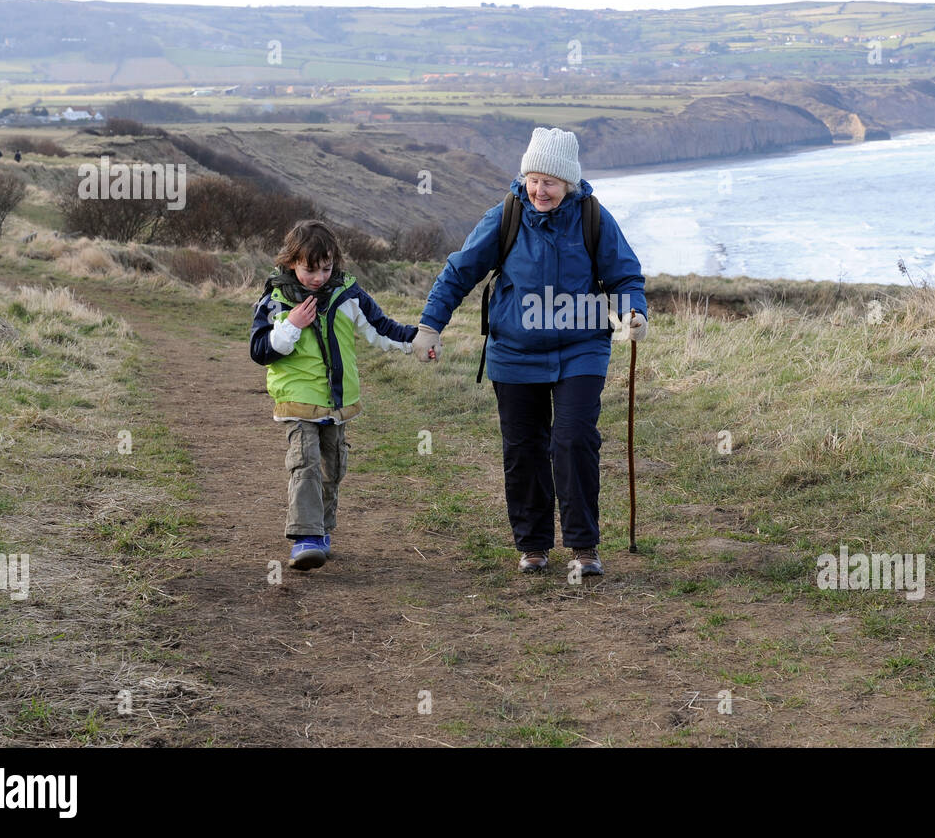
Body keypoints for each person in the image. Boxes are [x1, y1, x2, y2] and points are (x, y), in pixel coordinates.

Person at [414, 127, 648, 576]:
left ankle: (584, 547)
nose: (539, 190)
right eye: (534, 179)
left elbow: (624, 277)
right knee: (524, 448)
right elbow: (460, 271)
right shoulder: (505, 216)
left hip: (582, 347)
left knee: (574, 439)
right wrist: (430, 326)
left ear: (569, 184)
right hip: (515, 352)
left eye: (550, 182)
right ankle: (534, 545)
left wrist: (632, 313)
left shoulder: (593, 218)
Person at [250, 220, 417, 571]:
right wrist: (291, 325)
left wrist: (416, 341)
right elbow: (260, 349)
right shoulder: (275, 300)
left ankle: (322, 531)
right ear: (292, 261)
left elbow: (381, 328)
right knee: (305, 463)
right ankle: (306, 537)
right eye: (310, 269)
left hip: (336, 404)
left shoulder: (348, 294)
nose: (318, 277)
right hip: (296, 401)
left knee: (334, 468)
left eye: (326, 268)